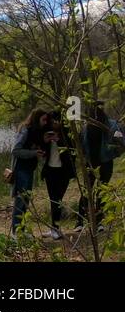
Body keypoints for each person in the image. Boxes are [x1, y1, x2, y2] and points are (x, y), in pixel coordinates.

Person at [74, 102, 123, 232]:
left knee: (102, 191)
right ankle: (80, 221)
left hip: (106, 162)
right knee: (86, 191)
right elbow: (80, 146)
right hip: (90, 163)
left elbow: (121, 143)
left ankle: (99, 221)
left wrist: (114, 145)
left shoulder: (111, 125)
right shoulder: (85, 127)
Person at [11, 108, 48, 236]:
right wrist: (33, 153)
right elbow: (15, 150)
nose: (45, 122)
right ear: (36, 119)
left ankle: (22, 228)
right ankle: (15, 232)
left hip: (29, 169)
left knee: (26, 201)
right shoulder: (25, 130)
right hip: (21, 169)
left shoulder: (36, 132)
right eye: (43, 120)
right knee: (20, 201)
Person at [40, 110, 75, 240]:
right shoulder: (46, 132)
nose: (55, 123)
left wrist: (59, 141)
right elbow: (42, 151)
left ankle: (55, 228)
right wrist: (45, 140)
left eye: (57, 120)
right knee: (53, 200)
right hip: (50, 171)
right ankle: (54, 229)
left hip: (63, 172)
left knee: (57, 200)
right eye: (52, 121)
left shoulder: (68, 134)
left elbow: (73, 151)